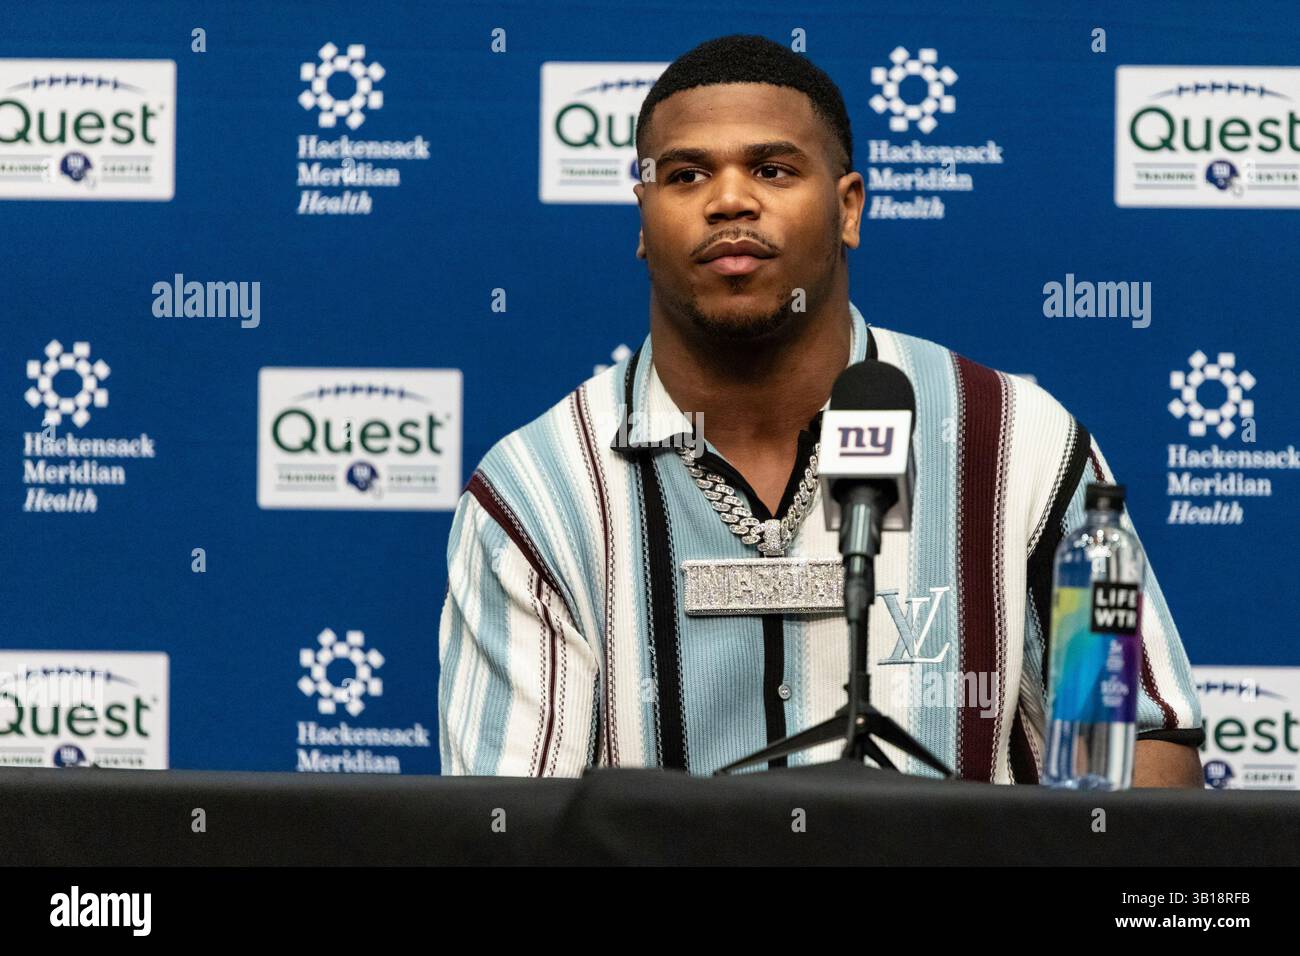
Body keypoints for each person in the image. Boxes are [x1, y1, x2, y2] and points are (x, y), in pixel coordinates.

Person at [438, 34, 1204, 784]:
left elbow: (1138, 741)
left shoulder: (1015, 441)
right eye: (685, 175)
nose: (730, 199)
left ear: (849, 209)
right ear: (642, 220)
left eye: (772, 169)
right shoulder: (536, 492)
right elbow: (510, 824)